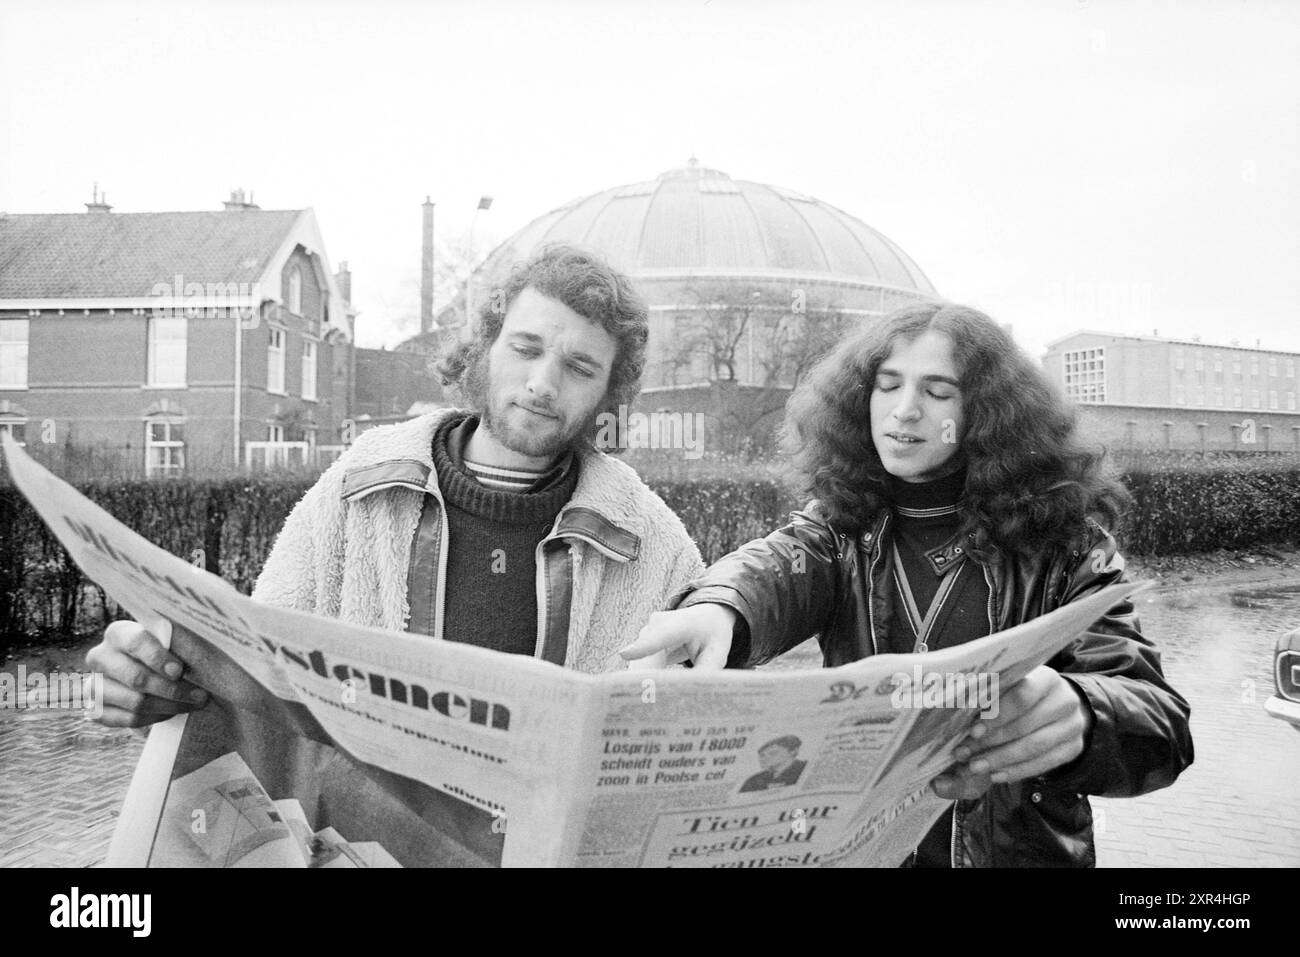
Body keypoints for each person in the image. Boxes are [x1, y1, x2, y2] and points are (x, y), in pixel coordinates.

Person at [86, 244, 705, 863]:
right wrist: (156, 683)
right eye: (526, 348)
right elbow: (260, 684)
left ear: (608, 393)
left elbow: (695, 747)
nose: (543, 383)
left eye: (580, 367)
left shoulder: (655, 544)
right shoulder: (358, 485)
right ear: (485, 346)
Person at [624, 301, 1194, 867]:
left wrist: (1083, 713)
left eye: (938, 392)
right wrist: (719, 609)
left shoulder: (1067, 547)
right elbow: (774, 569)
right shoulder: (839, 528)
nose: (904, 411)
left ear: (990, 413)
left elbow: (1161, 725)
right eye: (887, 385)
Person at [739, 736, 807, 793]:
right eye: (762, 755)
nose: (765, 758)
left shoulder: (806, 769)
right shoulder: (754, 780)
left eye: (773, 753)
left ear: (793, 752)